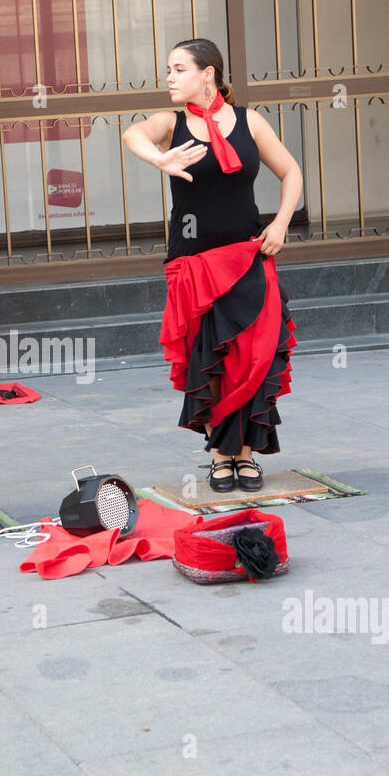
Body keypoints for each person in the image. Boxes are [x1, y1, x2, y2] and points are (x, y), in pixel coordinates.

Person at [121, 38, 303, 493]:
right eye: (168, 68)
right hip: (195, 262)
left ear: (208, 74)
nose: (168, 76)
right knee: (211, 360)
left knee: (252, 357)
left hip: (249, 255)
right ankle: (222, 456)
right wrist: (159, 158)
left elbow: (291, 172)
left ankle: (246, 455)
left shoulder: (249, 122)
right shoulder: (171, 123)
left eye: (178, 68)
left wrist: (281, 223)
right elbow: (132, 134)